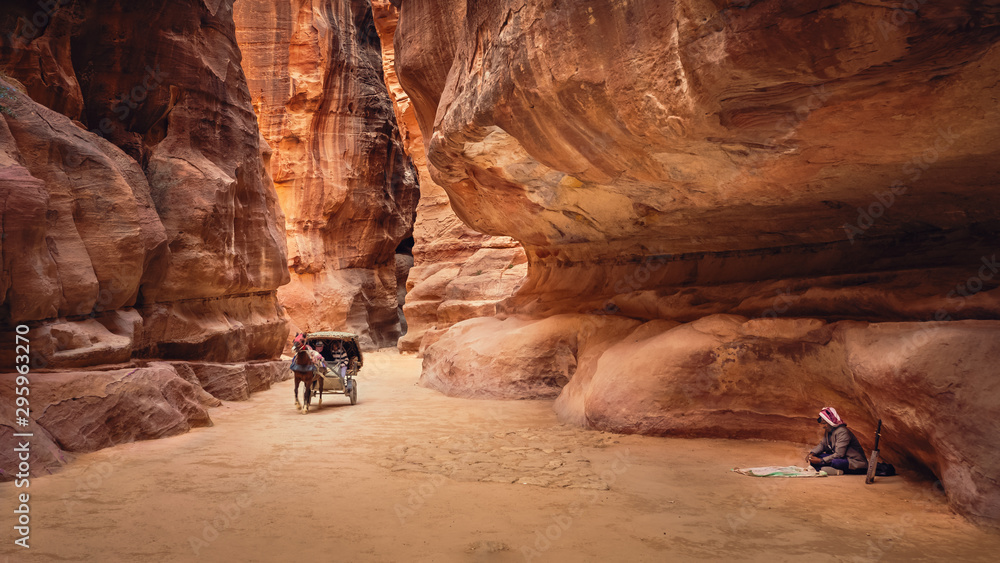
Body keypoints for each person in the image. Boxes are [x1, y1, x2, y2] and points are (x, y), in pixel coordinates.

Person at [807, 407, 868, 475]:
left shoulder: (843, 432)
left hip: (853, 461)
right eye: (822, 424)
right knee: (816, 458)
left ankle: (836, 471)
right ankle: (828, 470)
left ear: (830, 422)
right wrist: (812, 454)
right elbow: (822, 445)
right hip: (841, 458)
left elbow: (839, 454)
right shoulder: (828, 430)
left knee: (836, 462)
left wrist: (821, 461)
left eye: (824, 423)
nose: (823, 426)